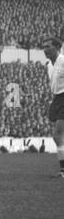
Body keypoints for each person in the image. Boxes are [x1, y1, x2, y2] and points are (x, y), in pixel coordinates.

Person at [43, 36, 64, 178]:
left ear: (57, 47)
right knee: (58, 136)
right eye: (44, 47)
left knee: (57, 135)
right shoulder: (49, 65)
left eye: (48, 46)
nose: (45, 49)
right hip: (57, 99)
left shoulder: (63, 61)